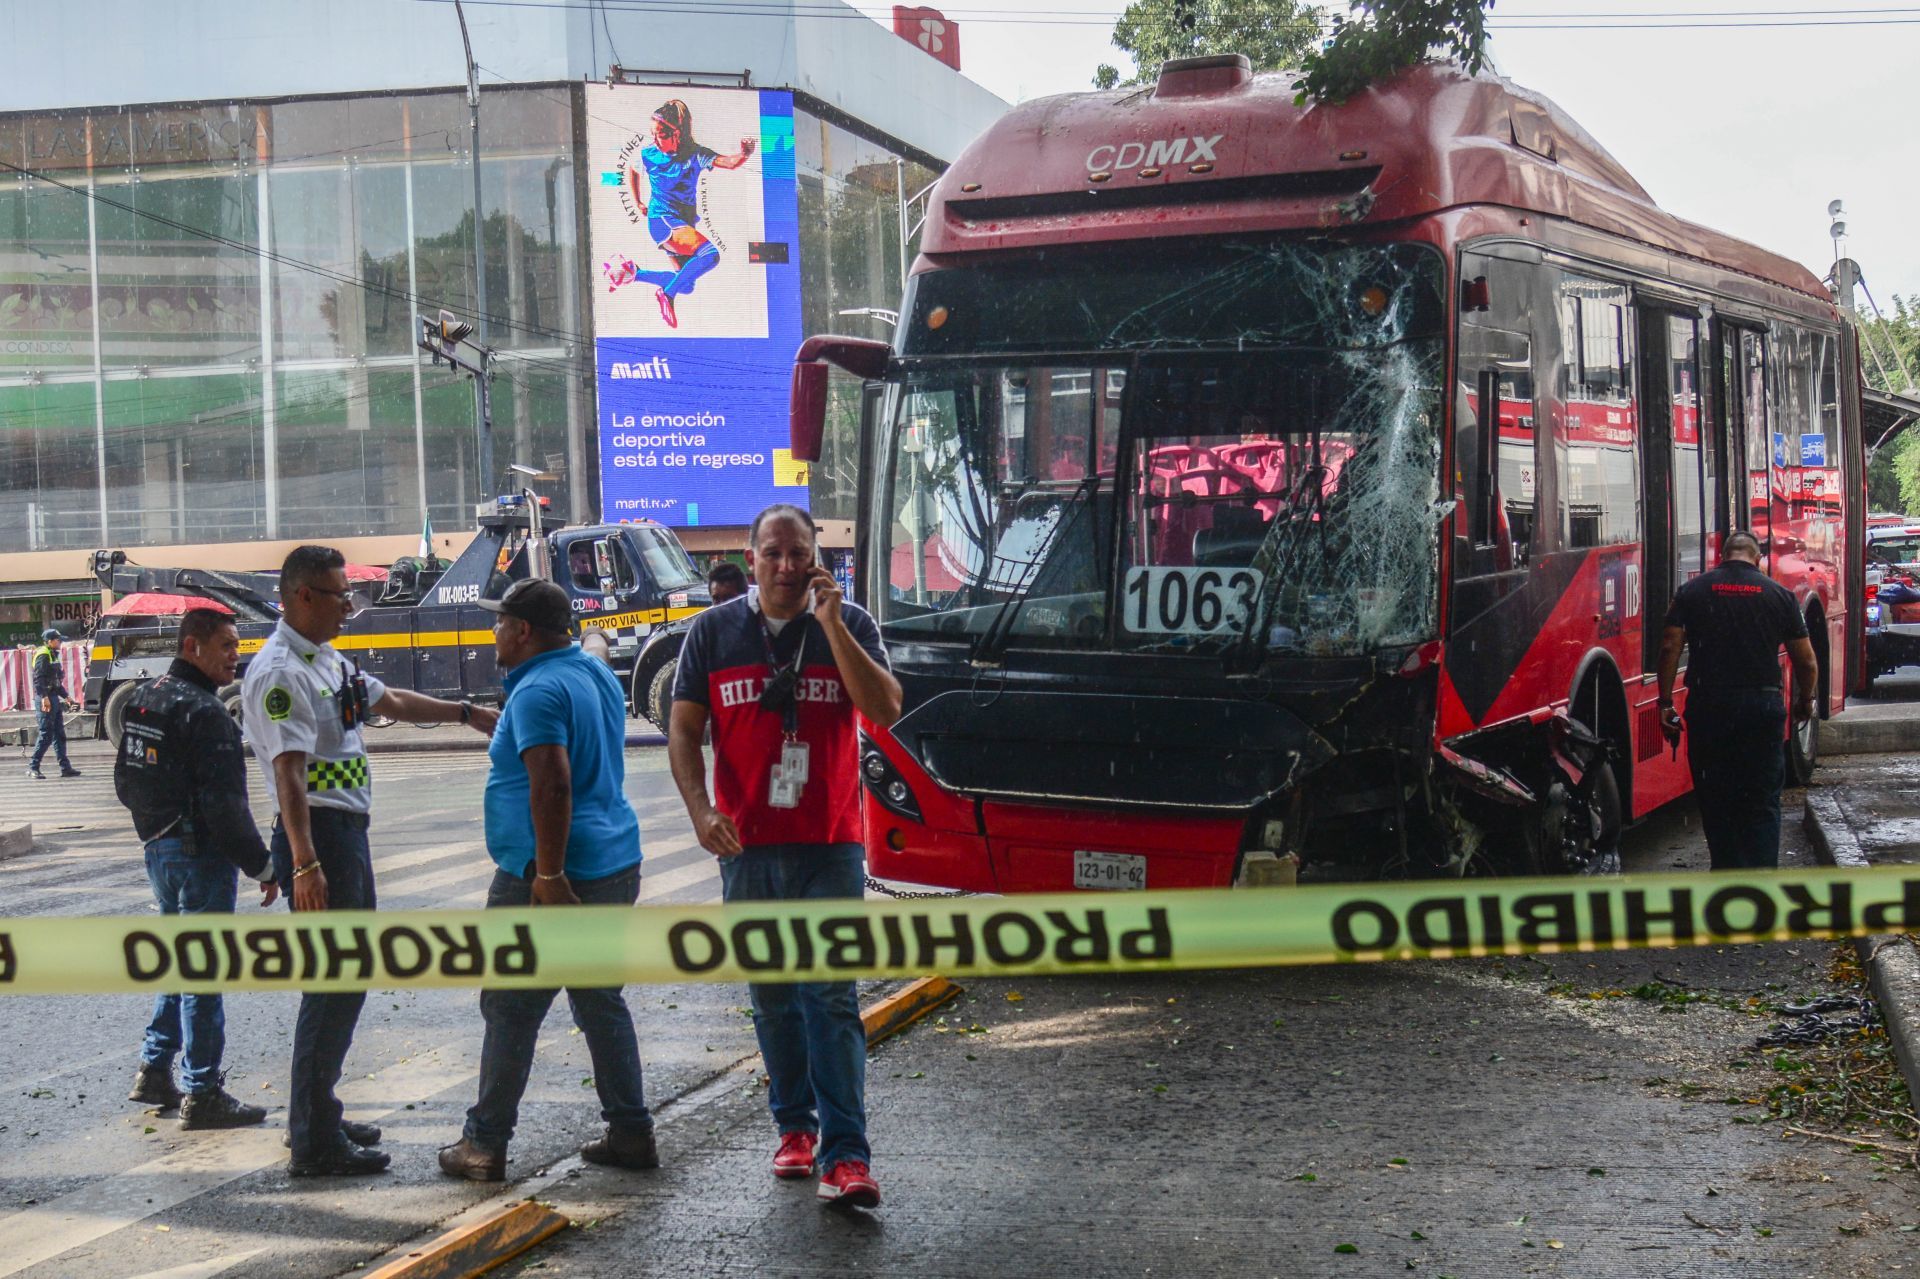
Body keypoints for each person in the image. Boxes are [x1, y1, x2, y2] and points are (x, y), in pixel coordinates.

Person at [668, 504, 901, 1210]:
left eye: (799, 553)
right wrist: (701, 811)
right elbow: (684, 731)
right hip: (747, 845)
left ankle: (847, 1154)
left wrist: (831, 626)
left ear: (815, 558)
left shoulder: (850, 623)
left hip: (830, 839)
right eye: (773, 552)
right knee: (772, 996)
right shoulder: (712, 631)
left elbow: (885, 709)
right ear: (751, 558)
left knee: (829, 993)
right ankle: (794, 1128)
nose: (787, 566)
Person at [243, 545, 497, 1176]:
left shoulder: (324, 658)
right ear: (302, 596)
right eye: (338, 595)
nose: (350, 608)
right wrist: (304, 864)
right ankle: (312, 1138)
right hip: (320, 838)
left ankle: (317, 1112)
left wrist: (466, 714)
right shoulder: (281, 672)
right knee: (334, 984)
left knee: (345, 981)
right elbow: (289, 778)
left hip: (343, 835)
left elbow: (390, 703)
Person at [438, 579, 657, 1182]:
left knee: (510, 1006)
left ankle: (483, 1143)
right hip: (614, 859)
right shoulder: (590, 674)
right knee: (599, 1002)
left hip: (549, 874)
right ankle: (632, 1131)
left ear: (524, 631)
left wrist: (550, 874)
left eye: (500, 622)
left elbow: (552, 784)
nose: (494, 632)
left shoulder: (537, 690)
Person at [116, 607, 279, 1128]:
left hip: (160, 851)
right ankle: (202, 1091)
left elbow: (126, 782)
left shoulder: (145, 698)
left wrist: (155, 829)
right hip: (200, 856)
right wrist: (263, 866)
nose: (237, 656)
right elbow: (226, 808)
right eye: (227, 646)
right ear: (194, 647)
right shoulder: (207, 714)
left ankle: (154, 1067)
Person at [1656, 530, 1819, 870]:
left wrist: (1665, 703)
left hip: (1710, 708)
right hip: (1762, 709)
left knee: (1716, 797)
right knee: (1761, 799)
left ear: (1723, 557)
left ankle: (1726, 873)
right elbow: (1806, 660)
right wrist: (1807, 700)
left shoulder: (1693, 591)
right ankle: (1760, 879)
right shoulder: (1779, 595)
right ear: (1757, 559)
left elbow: (1670, 646)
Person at [604, 98, 756, 329]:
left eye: (662, 135)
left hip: (682, 224)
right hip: (662, 221)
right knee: (709, 254)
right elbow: (633, 171)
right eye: (653, 134)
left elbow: (729, 162)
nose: (656, 140)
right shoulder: (648, 154)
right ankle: (667, 295)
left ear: (677, 133)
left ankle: (634, 273)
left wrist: (744, 154)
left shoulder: (695, 154)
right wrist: (638, 203)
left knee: (687, 284)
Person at [27, 628, 79, 779]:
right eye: (58, 640)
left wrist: (67, 698)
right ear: (50, 641)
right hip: (46, 699)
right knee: (46, 735)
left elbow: (55, 682)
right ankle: (33, 767)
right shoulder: (43, 655)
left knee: (59, 735)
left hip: (53, 697)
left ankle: (65, 768)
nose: (60, 642)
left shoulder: (52, 654)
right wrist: (44, 697)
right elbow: (39, 679)